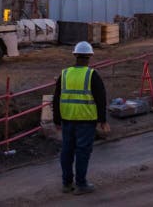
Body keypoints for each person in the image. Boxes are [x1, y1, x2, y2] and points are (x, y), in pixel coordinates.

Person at [53, 41, 111, 195]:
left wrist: (56, 120)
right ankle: (81, 184)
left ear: (75, 55)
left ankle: (67, 184)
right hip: (86, 121)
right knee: (82, 152)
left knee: (67, 151)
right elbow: (101, 98)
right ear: (90, 57)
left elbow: (56, 98)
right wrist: (103, 120)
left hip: (67, 119)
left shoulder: (64, 74)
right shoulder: (92, 75)